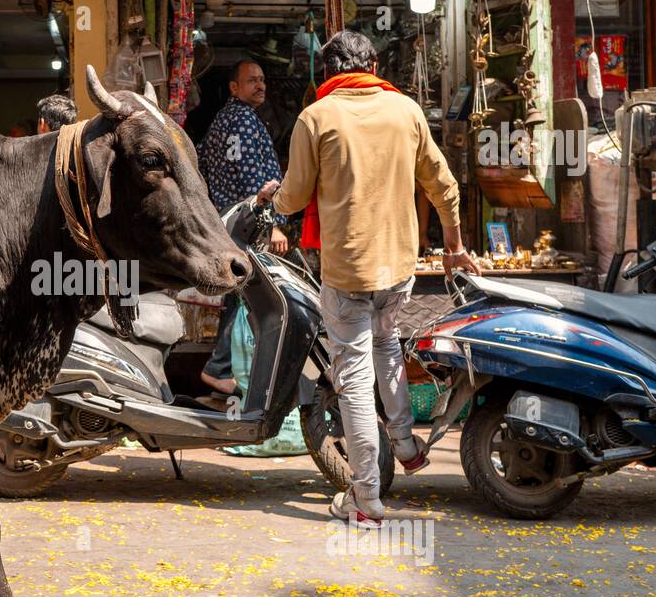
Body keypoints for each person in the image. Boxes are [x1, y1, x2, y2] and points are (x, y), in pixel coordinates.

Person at [260, 30, 479, 528]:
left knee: (353, 377)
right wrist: (455, 247)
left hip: (347, 271)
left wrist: (272, 202)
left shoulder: (315, 118)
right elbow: (444, 184)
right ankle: (404, 443)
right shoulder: (406, 112)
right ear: (374, 64)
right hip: (398, 269)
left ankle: (366, 497)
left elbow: (293, 197)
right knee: (385, 346)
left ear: (327, 73)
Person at [196, 59, 287, 396]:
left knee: (242, 295)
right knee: (247, 296)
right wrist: (274, 225)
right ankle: (219, 368)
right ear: (234, 87)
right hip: (247, 223)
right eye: (252, 81)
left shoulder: (224, 120)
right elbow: (254, 180)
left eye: (262, 79)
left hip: (228, 218)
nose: (260, 85)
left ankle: (227, 368)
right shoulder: (243, 122)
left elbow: (201, 158)